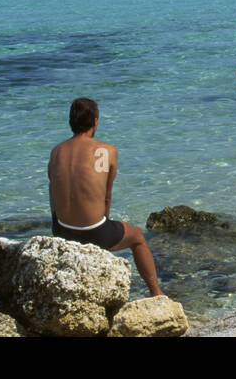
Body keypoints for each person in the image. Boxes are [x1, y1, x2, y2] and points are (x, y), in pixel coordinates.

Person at [49, 97, 162, 297]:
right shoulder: (106, 150)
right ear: (95, 122)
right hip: (95, 232)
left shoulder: (57, 151)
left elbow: (53, 189)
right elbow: (106, 196)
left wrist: (58, 225)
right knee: (137, 237)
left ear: (71, 122)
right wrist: (104, 225)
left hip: (62, 231)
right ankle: (156, 293)